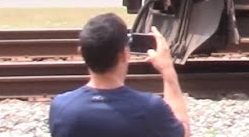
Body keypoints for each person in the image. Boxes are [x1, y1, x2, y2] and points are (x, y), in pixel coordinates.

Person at [49, 13, 190, 137]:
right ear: (124, 54)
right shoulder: (149, 108)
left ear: (82, 53)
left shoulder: (61, 107)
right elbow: (184, 133)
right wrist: (168, 70)